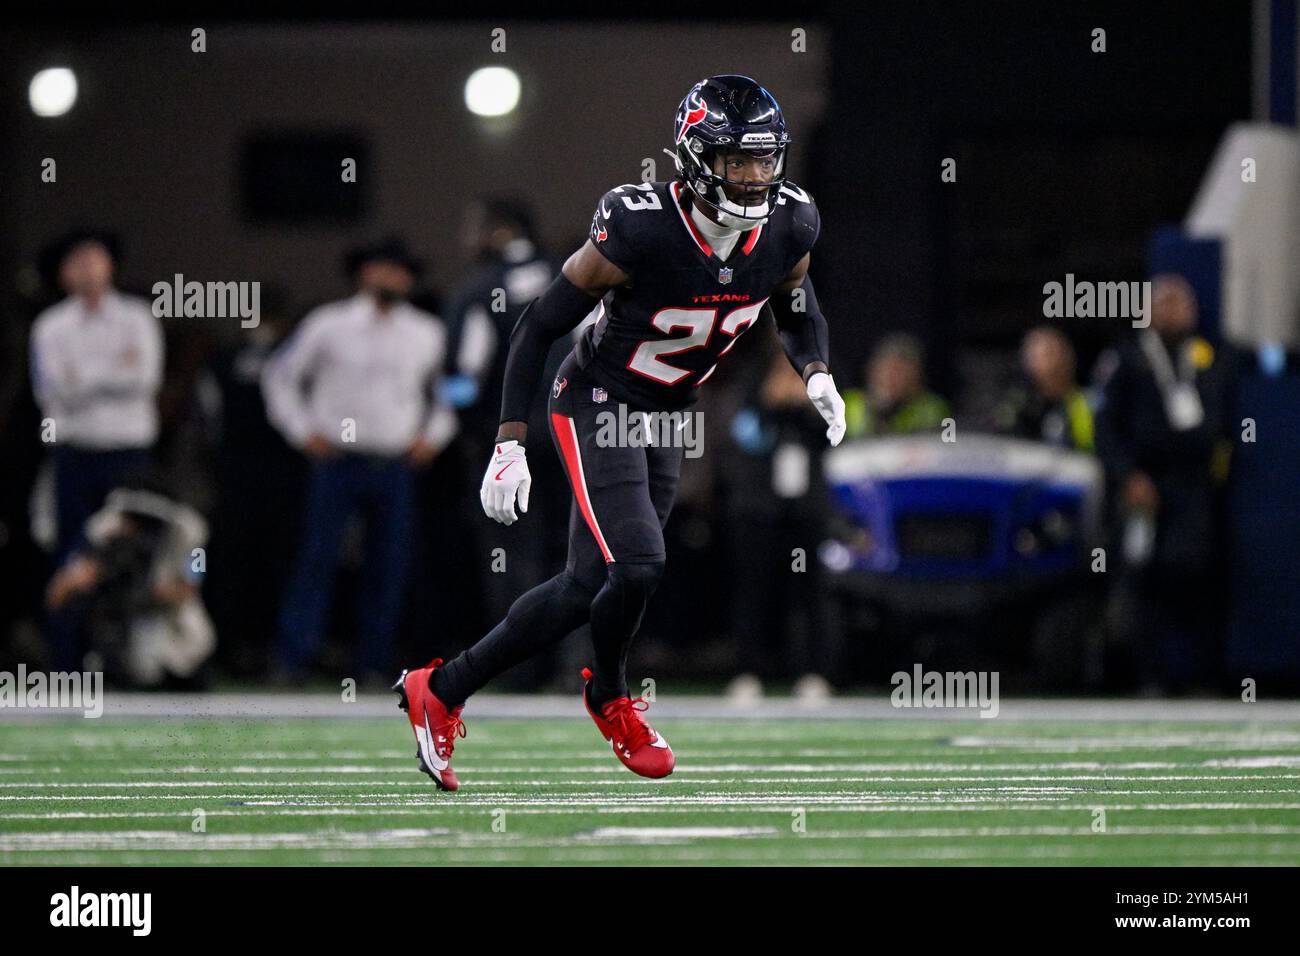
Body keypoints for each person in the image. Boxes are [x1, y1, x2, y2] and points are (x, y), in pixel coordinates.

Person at [393, 75, 846, 790]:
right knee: (637, 566)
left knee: (585, 585)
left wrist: (814, 367)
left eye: (765, 161)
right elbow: (538, 324)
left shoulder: (792, 221)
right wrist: (508, 440)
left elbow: (794, 299)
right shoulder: (640, 226)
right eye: (738, 163)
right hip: (599, 395)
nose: (757, 178)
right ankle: (610, 697)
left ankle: (440, 688)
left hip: (669, 409)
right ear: (696, 161)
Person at [263, 236, 457, 684]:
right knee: (317, 558)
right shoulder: (328, 324)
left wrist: (433, 436)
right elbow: (280, 376)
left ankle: (372, 662)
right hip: (337, 461)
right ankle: (293, 658)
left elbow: (450, 391)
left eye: (399, 269)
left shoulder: (426, 332)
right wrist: (301, 431)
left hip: (396, 464)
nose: (390, 277)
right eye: (381, 267)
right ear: (363, 273)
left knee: (388, 564)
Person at [31, 229, 164, 669]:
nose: (88, 268)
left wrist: (82, 380)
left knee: (131, 553)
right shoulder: (50, 326)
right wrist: (111, 374)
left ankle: (127, 661)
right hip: (76, 453)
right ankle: (66, 660)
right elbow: (52, 391)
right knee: (72, 551)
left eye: (96, 259)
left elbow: (143, 380)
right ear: (64, 274)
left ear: (111, 266)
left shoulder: (137, 318)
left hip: (128, 456)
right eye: (78, 261)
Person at [1093, 273, 1230, 693]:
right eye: (1163, 302)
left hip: (1192, 485)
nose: (1172, 311)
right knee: (1142, 576)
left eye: (1180, 302)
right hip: (1144, 483)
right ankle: (1148, 677)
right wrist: (1127, 476)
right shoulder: (1127, 356)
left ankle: (1198, 676)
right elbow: (1106, 425)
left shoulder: (1206, 355)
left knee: (1194, 574)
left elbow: (1221, 418)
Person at [996, 326, 1094, 451]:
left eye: (1060, 352)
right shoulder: (1017, 404)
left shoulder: (1087, 402)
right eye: (1047, 354)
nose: (1056, 361)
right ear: (1027, 361)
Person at [842, 333, 948, 438]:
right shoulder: (847, 403)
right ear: (873, 371)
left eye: (902, 373)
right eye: (889, 371)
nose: (894, 380)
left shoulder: (932, 408)